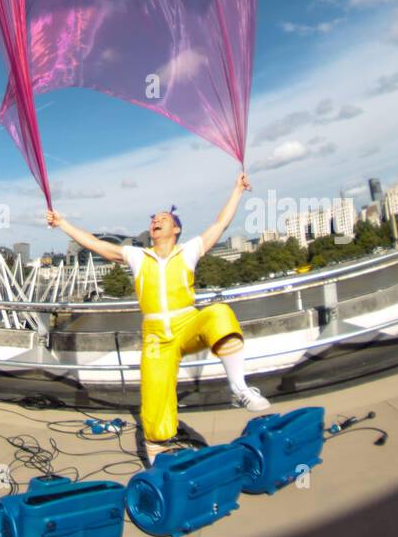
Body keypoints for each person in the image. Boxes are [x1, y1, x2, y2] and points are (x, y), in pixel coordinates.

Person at [47, 173, 270, 451]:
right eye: (153, 220)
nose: (155, 221)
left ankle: (239, 389)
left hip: (187, 323)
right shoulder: (137, 256)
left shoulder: (189, 251)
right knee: (154, 409)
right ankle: (158, 450)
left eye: (162, 219)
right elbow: (97, 244)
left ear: (175, 229)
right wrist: (63, 223)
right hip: (155, 336)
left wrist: (237, 190)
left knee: (219, 315)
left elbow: (220, 224)